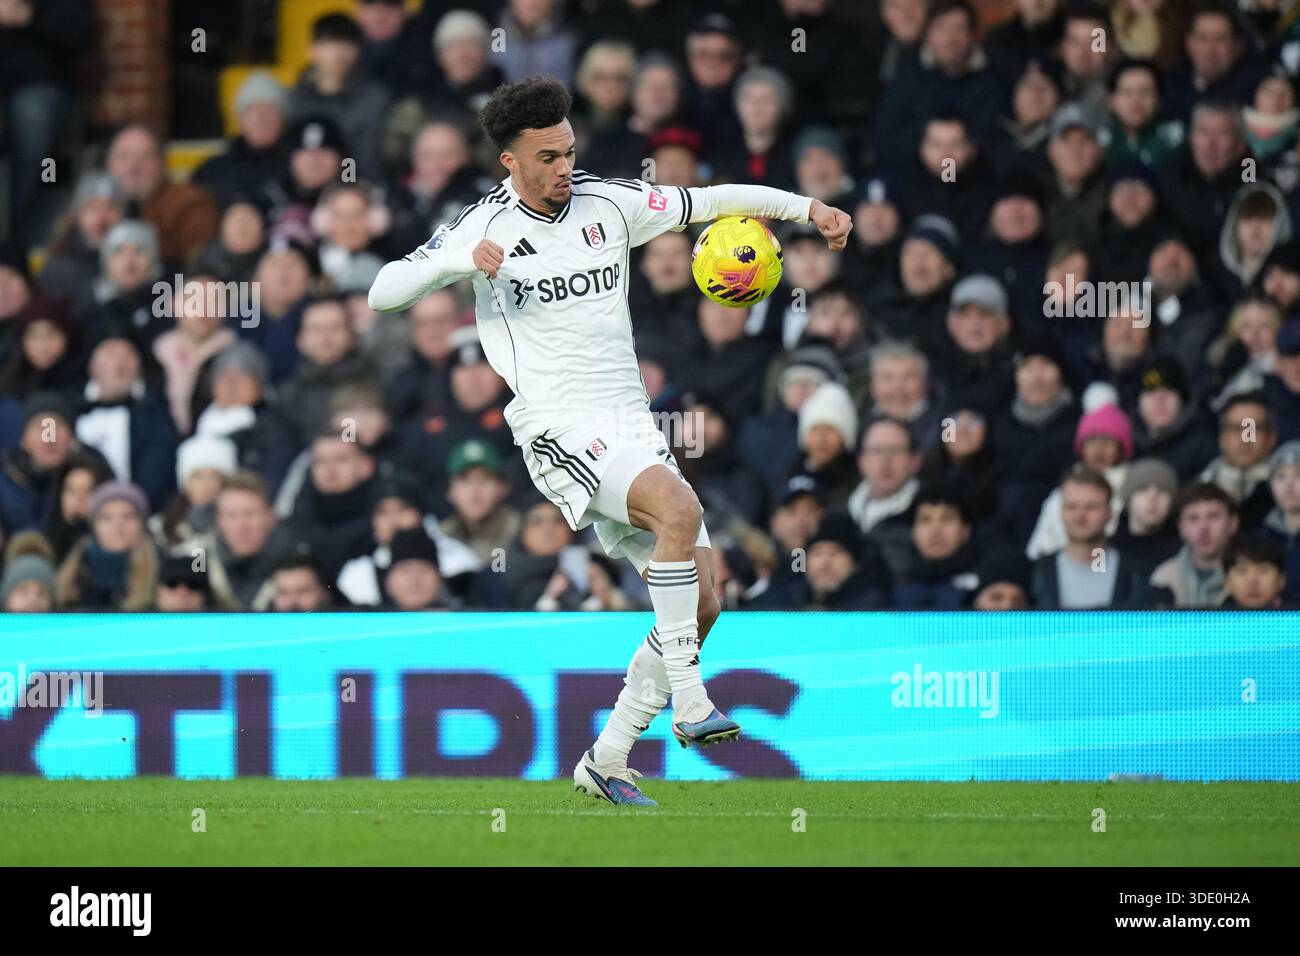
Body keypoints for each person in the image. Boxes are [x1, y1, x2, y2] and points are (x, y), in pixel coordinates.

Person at [368, 75, 851, 806]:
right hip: (558, 429)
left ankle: (608, 756)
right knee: (680, 513)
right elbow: (383, 289)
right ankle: (690, 704)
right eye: (548, 157)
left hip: (630, 424)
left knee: (706, 601)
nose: (565, 166)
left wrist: (806, 208)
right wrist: (458, 262)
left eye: (568, 150)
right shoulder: (482, 227)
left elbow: (710, 201)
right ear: (510, 161)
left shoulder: (609, 203)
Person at [1220, 533, 1288, 608]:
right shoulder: (1213, 618)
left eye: (1263, 570)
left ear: (1281, 580)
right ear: (1227, 581)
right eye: (1242, 571)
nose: (1252, 581)